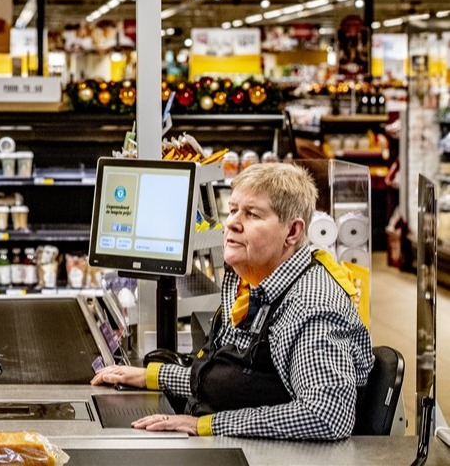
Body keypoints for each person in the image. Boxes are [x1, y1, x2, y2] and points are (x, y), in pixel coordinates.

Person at [92, 163, 375, 440]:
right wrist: (151, 376)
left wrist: (206, 425)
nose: (232, 223)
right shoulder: (251, 282)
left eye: (252, 214)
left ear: (292, 232)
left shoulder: (311, 306)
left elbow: (327, 416)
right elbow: (227, 376)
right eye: (233, 210)